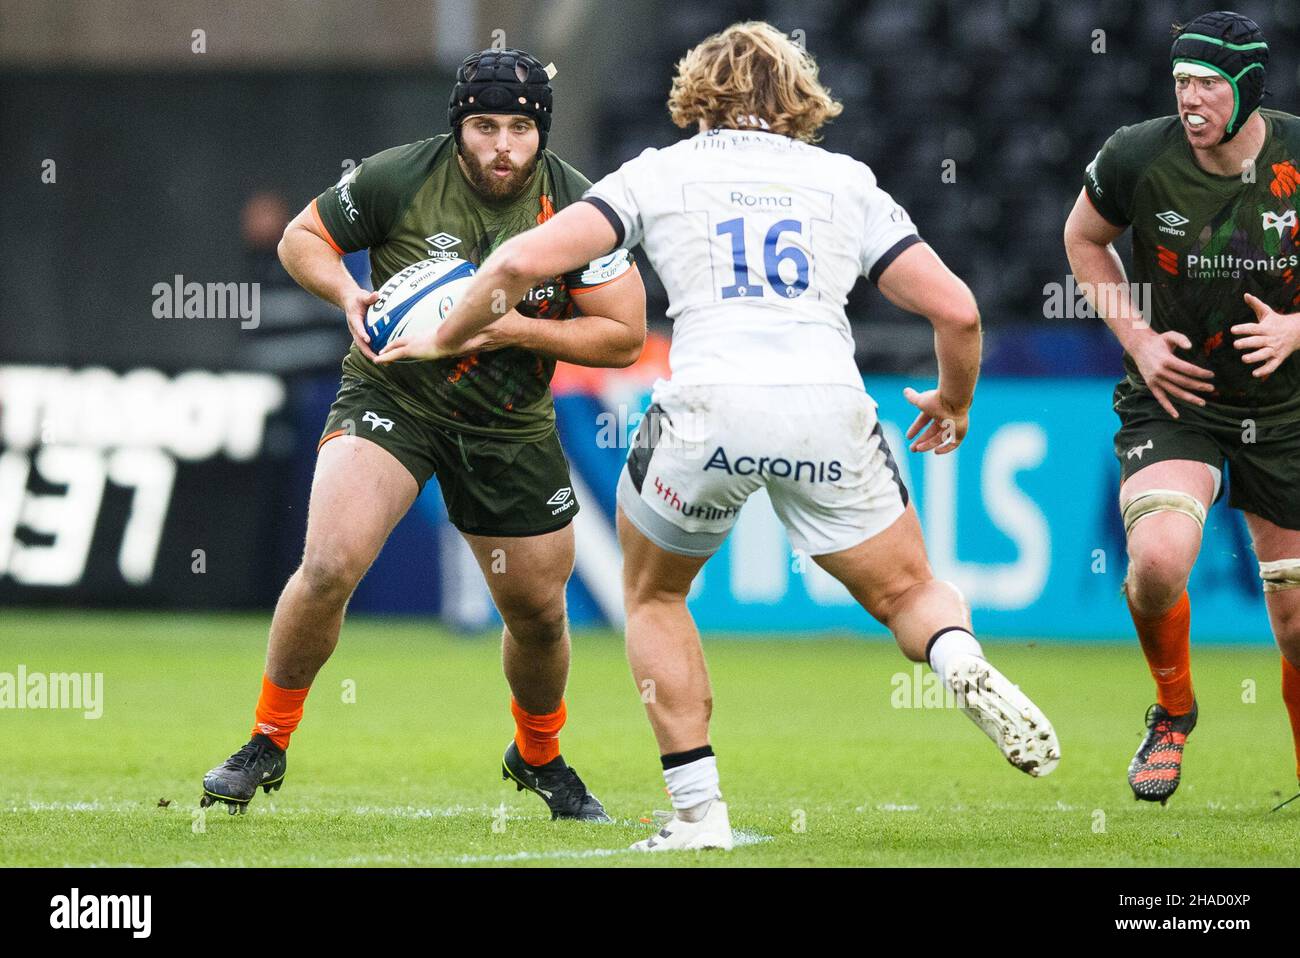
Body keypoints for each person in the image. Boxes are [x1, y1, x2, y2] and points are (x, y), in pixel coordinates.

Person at [381, 21, 1060, 850]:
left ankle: (700, 815)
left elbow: (519, 263)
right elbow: (957, 309)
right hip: (827, 405)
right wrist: (954, 403)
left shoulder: (663, 171)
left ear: (697, 96)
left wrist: (447, 335)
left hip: (704, 409)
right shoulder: (844, 180)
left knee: (657, 595)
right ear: (800, 100)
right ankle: (955, 657)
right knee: (910, 592)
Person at [200, 47, 646, 821]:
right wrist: (347, 290)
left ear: (540, 132)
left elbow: (623, 336)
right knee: (331, 561)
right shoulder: (397, 176)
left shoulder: (579, 208)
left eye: (517, 127)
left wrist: (506, 330)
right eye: (482, 125)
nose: (501, 144)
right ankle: (267, 738)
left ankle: (539, 754)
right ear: (458, 126)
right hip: (392, 398)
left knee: (538, 614)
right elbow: (300, 239)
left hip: (507, 425)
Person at [1065, 10, 1300, 804]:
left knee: (1297, 618)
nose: (1191, 99)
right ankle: (1173, 710)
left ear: (1247, 87)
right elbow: (1082, 239)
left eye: (1208, 84)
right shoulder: (1138, 153)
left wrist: (1297, 328)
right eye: (1181, 83)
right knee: (1158, 564)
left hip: (1287, 410)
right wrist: (1137, 338)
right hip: (1177, 401)